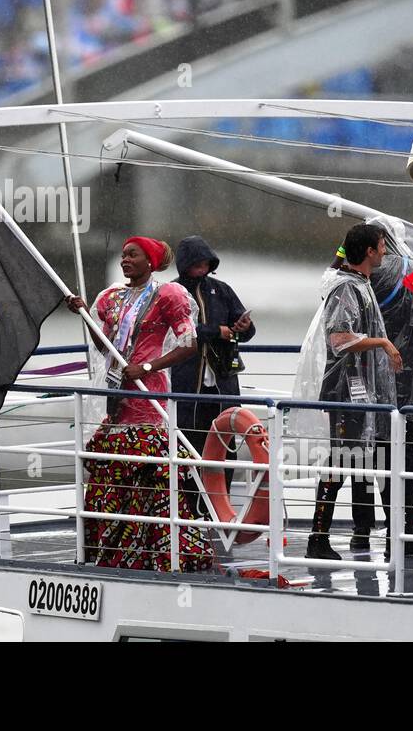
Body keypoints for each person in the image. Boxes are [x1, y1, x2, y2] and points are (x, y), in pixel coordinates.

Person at [64, 236, 214, 572]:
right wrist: (86, 315)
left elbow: (188, 343)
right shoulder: (112, 297)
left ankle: (154, 550)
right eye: (122, 255)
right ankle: (115, 547)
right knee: (114, 470)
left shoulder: (169, 295)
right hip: (117, 396)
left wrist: (146, 367)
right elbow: (105, 347)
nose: (124, 260)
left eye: (132, 255)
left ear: (150, 261)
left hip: (149, 393)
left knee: (147, 473)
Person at [294, 223, 413, 561]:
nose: (386, 251)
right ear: (369, 251)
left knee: (379, 460)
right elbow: (340, 339)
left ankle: (393, 536)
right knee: (341, 462)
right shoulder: (347, 287)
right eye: (381, 246)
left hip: (364, 393)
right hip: (348, 393)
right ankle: (319, 539)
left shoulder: (359, 282)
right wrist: (385, 343)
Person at [170, 235, 254, 498]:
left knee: (224, 446)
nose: (202, 268)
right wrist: (217, 331)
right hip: (187, 383)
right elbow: (180, 331)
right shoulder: (172, 293)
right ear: (185, 264)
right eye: (197, 262)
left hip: (222, 381)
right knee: (188, 444)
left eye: (206, 263)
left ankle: (220, 503)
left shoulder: (222, 290)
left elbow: (246, 332)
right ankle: (189, 505)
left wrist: (243, 328)